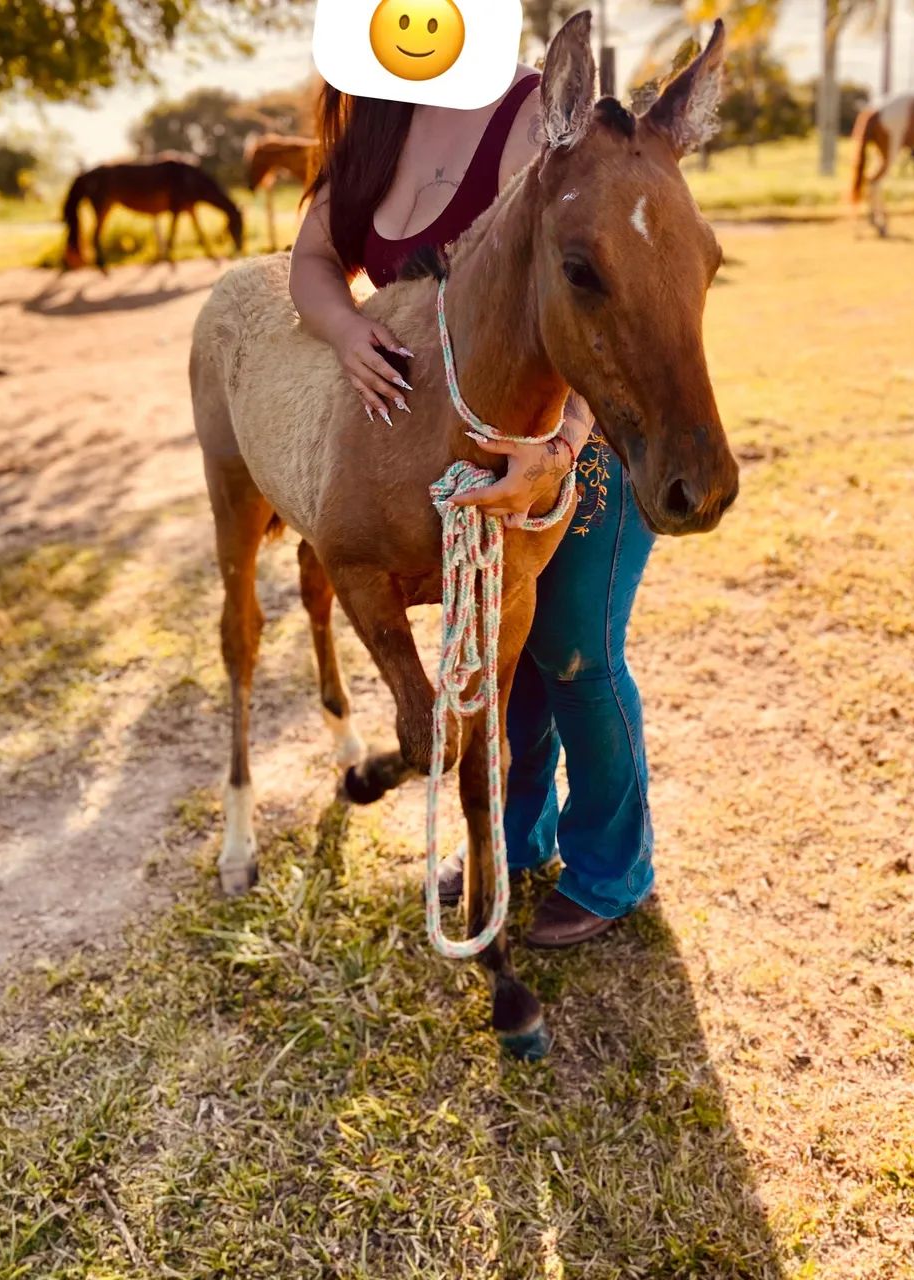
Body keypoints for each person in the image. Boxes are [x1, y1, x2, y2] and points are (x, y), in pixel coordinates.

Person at [288, 66, 656, 947]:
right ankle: (518, 844)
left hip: (579, 434)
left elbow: (590, 282)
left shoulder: (533, 112)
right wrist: (344, 330)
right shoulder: (371, 138)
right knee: (506, 666)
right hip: (460, 465)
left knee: (573, 655)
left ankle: (613, 871)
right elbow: (309, 262)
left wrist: (562, 446)